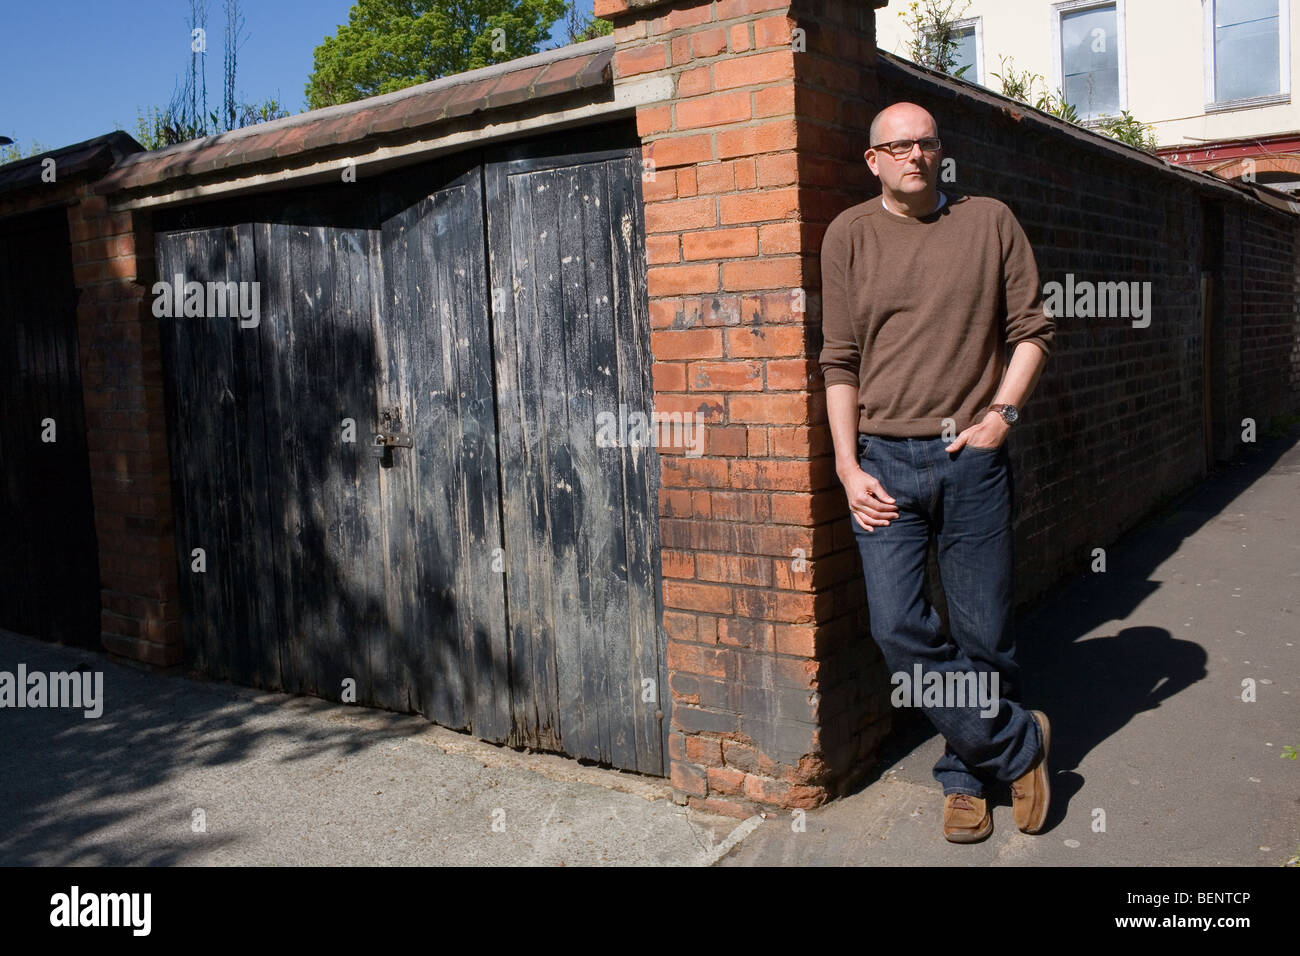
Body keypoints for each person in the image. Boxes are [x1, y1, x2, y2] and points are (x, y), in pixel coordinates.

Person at [818, 101, 1055, 843]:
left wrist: (1001, 417)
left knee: (984, 631)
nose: (914, 155)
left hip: (970, 459)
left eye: (925, 143)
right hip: (884, 460)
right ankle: (1021, 745)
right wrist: (847, 465)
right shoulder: (848, 236)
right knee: (898, 629)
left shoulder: (990, 222)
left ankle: (964, 778)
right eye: (898, 145)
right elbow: (839, 361)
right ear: (873, 159)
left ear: (939, 150)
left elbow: (1033, 331)